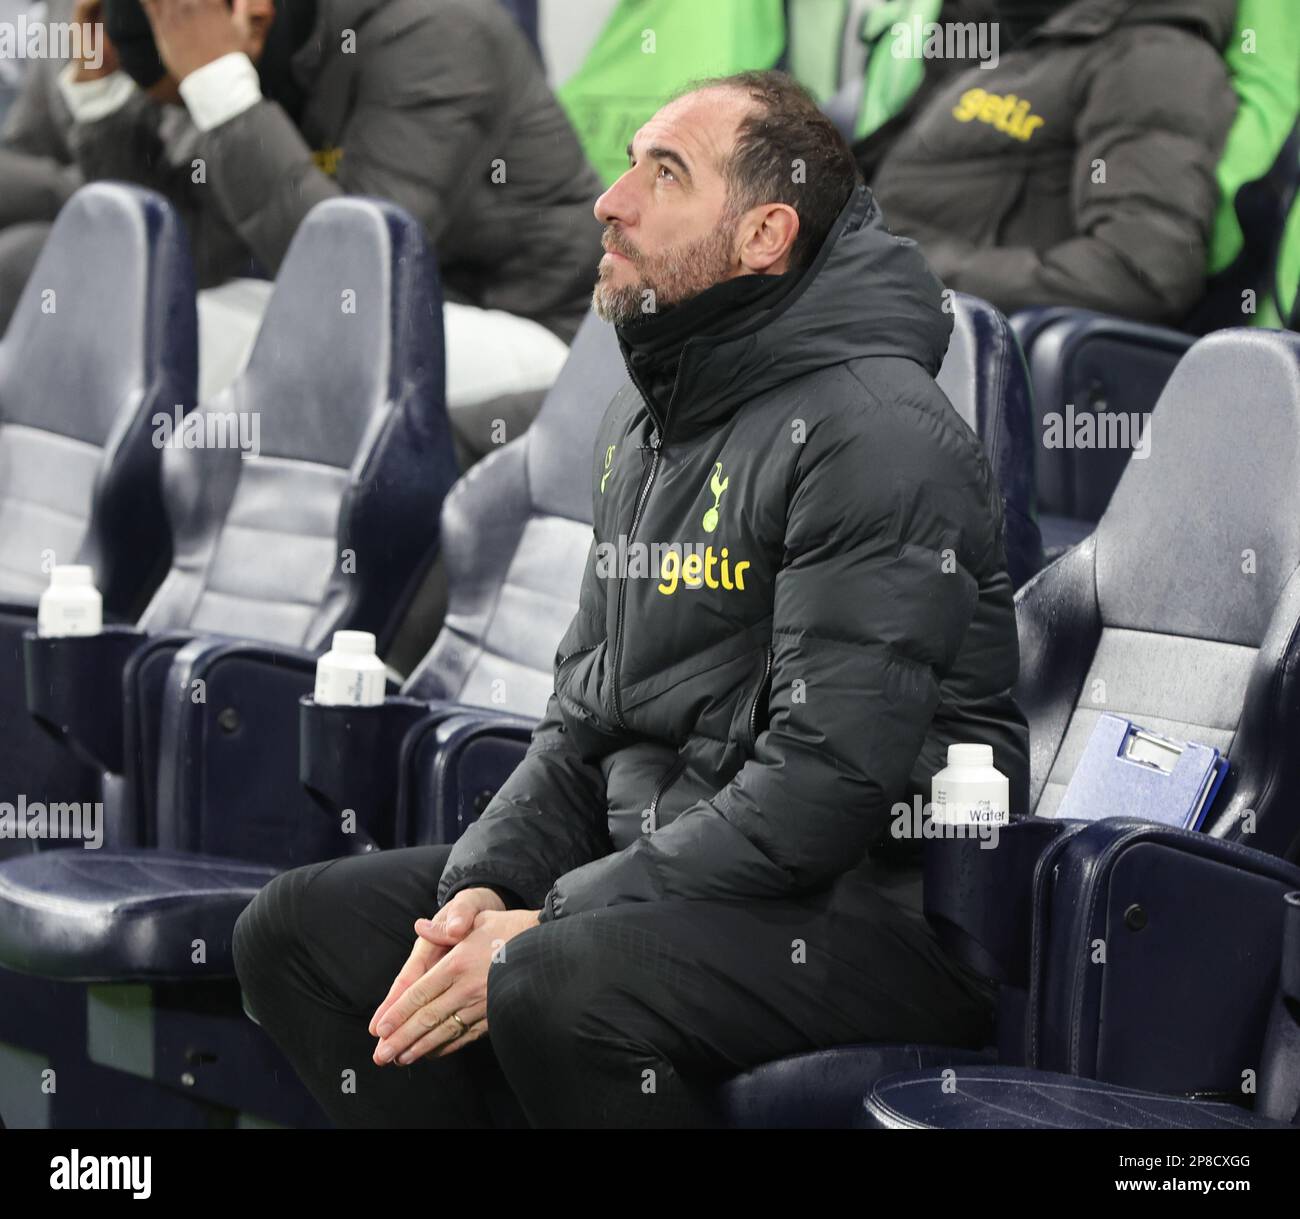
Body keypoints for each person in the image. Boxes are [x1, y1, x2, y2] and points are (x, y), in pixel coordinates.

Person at [233, 69, 1031, 1129]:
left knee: (554, 975)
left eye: (665, 174)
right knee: (300, 925)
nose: (612, 200)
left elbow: (823, 788)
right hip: (667, 870)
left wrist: (545, 920)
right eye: (628, 165)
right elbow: (582, 721)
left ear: (762, 235)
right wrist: (483, 886)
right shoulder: (650, 422)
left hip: (874, 910)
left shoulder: (877, 432)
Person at [12, 0, 604, 462]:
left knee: (240, 354)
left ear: (257, 17)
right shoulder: (267, 56)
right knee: (136, 327)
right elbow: (192, 260)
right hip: (388, 322)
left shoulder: (437, 34)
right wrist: (102, 96)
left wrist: (221, 87)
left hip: (539, 339)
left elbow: (354, 279)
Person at [860, 0, 1239, 326]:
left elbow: (1140, 275)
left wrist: (899, 268)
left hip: (943, 357)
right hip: (874, 316)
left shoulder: (1156, 59)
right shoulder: (1030, 40)